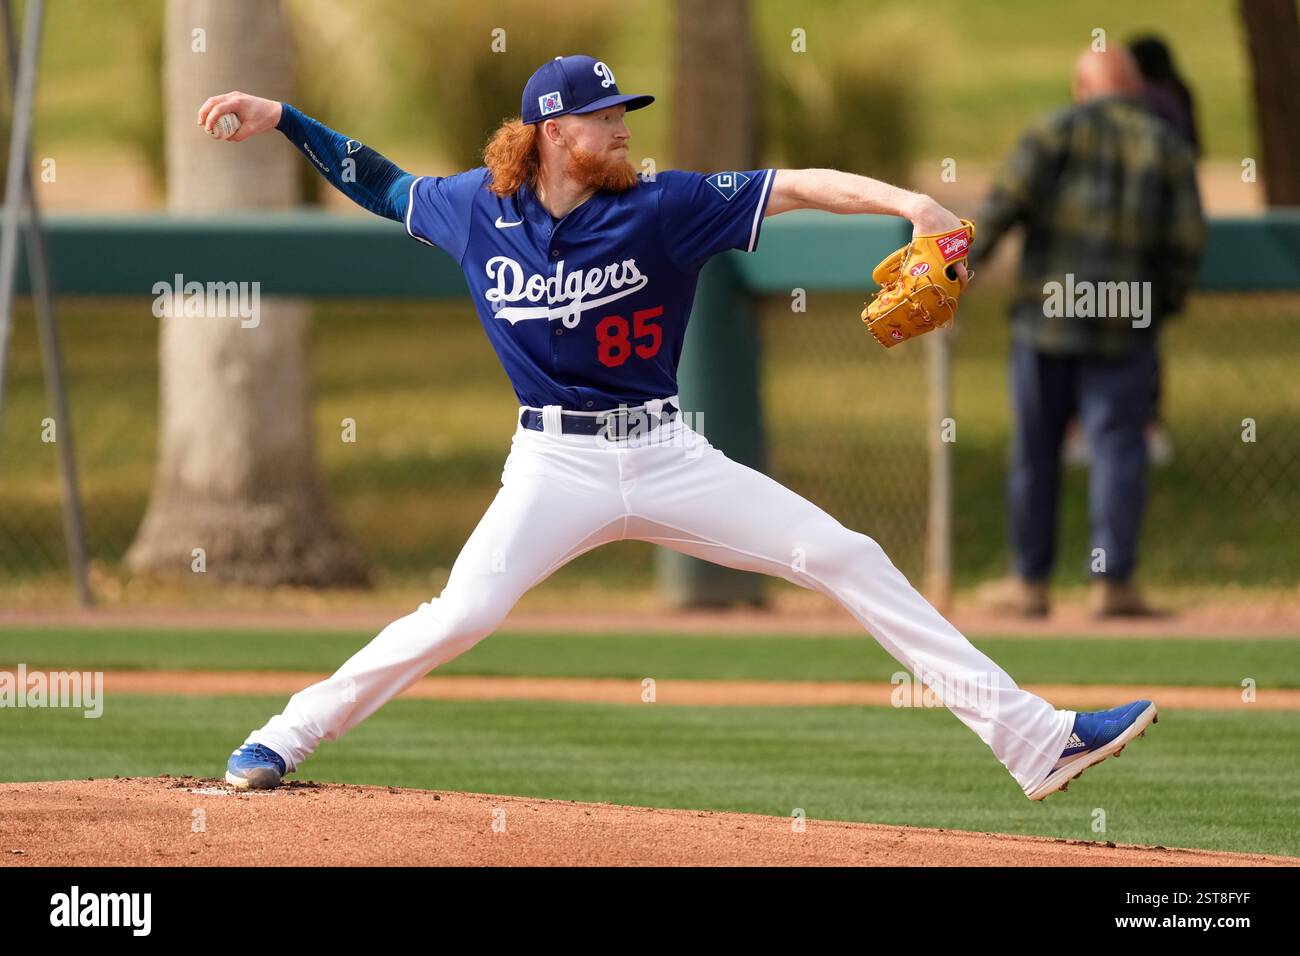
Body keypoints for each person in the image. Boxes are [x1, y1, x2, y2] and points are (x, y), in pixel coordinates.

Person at [204, 54, 1156, 802]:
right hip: (552, 465)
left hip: (668, 454)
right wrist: (284, 119)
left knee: (847, 554)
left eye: (626, 115)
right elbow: (381, 184)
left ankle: (1037, 740)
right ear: (552, 129)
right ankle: (283, 736)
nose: (624, 130)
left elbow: (801, 185)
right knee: (465, 614)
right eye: (608, 117)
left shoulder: (667, 206)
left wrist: (911, 205)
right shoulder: (475, 211)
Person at [972, 49, 1206, 619]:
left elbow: (1002, 207)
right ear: (1133, 90)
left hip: (1045, 322)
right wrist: (1159, 306)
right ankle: (1112, 583)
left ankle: (1030, 582)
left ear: (1083, 85)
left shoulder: (1053, 131)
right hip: (1125, 325)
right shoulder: (1166, 144)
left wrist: (956, 273)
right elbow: (1186, 243)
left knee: (1034, 450)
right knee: (1117, 450)